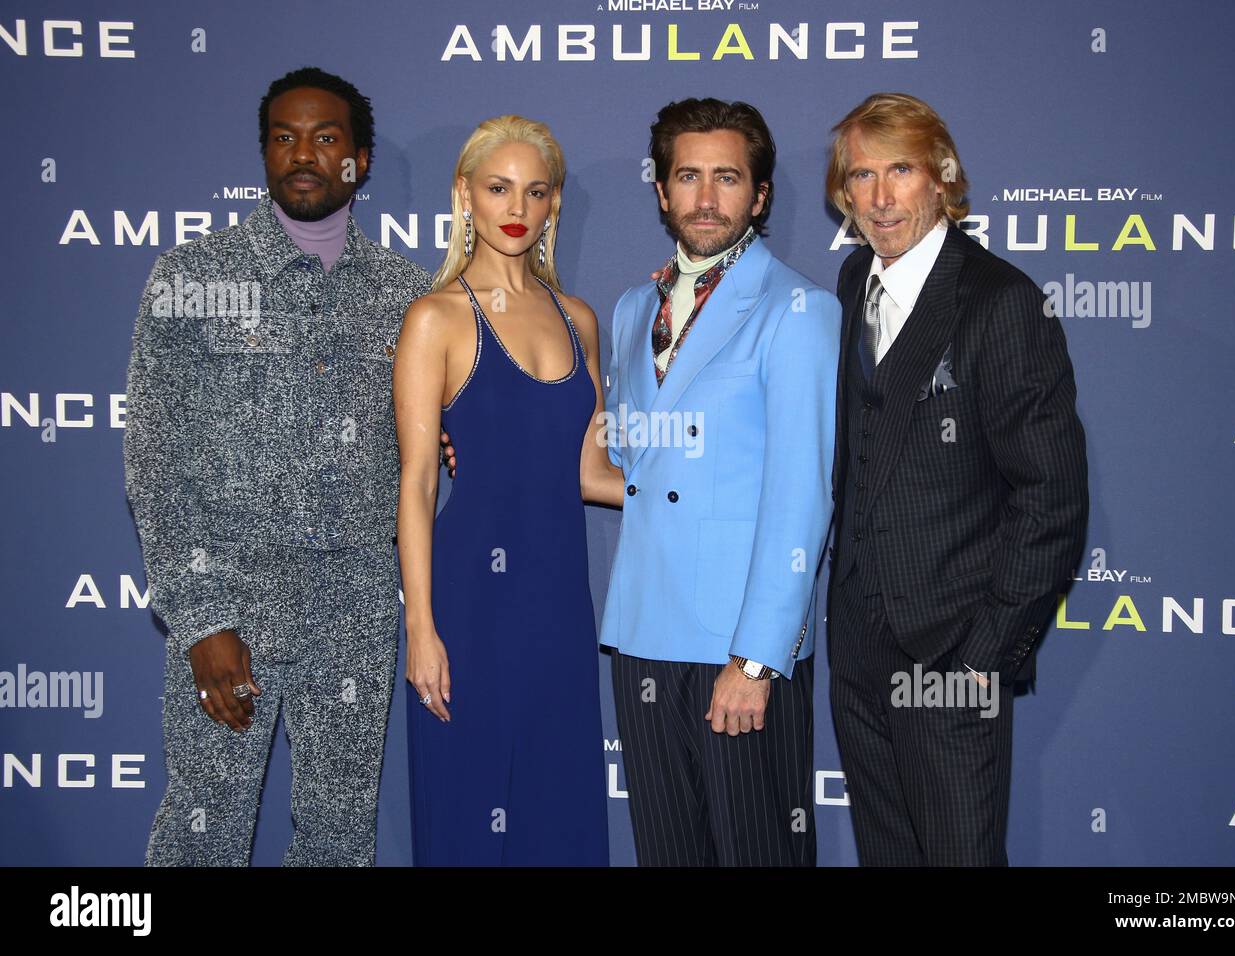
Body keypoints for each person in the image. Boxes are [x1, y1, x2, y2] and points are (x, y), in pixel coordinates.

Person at [123, 67, 433, 865]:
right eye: (284, 138)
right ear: (263, 153)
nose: (304, 155)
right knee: (202, 830)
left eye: (326, 139)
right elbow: (154, 461)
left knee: (338, 839)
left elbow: (425, 455)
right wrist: (201, 619)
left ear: (358, 159)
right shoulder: (190, 280)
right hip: (231, 599)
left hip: (357, 607)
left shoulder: (408, 296)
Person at [824, 92, 1089, 866]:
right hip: (859, 654)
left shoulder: (1002, 304)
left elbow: (1053, 500)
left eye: (899, 170)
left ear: (941, 176)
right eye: (860, 177)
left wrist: (982, 660)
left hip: (951, 659)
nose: (879, 198)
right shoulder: (849, 286)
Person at [600, 98, 839, 866]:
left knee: (757, 853)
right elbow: (631, 466)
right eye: (688, 177)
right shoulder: (636, 309)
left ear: (759, 195)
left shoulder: (800, 310)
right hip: (643, 632)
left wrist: (758, 658)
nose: (706, 198)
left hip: (737, 642)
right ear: (663, 190)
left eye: (727, 178)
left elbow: (803, 496)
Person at [396, 115, 622, 866]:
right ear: (465, 195)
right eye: (498, 188)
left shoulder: (579, 319)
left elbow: (592, 473)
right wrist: (423, 629)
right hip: (470, 603)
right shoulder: (435, 319)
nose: (516, 205)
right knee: (469, 798)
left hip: (558, 598)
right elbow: (420, 479)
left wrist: (703, 494)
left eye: (535, 190)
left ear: (556, 203)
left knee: (558, 803)